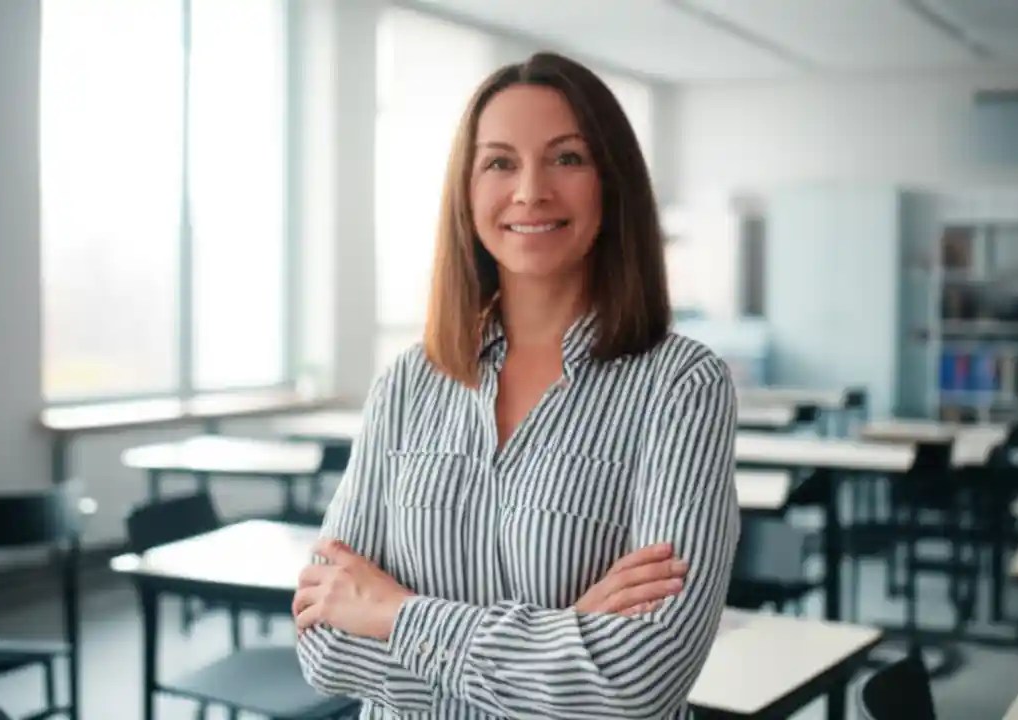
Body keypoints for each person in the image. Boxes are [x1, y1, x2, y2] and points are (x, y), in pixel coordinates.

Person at [294, 51, 739, 719]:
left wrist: (394, 613)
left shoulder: (680, 388)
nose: (531, 190)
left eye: (567, 158)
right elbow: (325, 646)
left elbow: (640, 680)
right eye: (500, 162)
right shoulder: (408, 384)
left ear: (611, 183)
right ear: (466, 190)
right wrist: (566, 640)